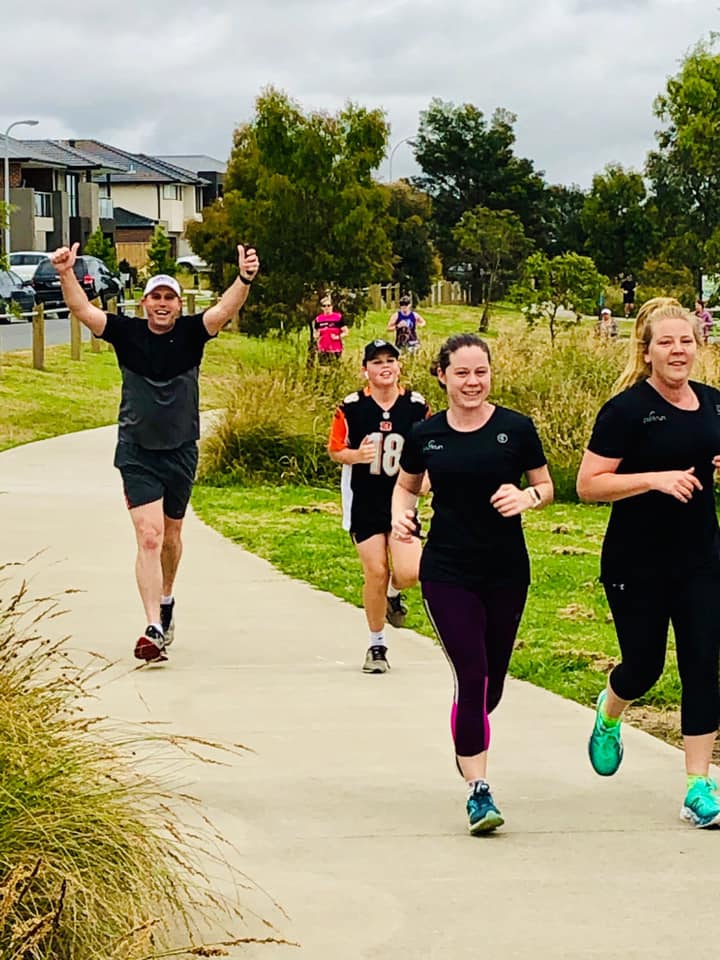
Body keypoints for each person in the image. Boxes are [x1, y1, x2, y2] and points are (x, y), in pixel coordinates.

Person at [49, 241, 260, 663]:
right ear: (144, 303)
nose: (162, 305)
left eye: (169, 298)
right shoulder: (126, 333)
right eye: (155, 297)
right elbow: (84, 312)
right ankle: (151, 626)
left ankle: (166, 599)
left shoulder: (192, 334)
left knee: (172, 537)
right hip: (137, 451)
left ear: (179, 306)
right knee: (149, 536)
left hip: (180, 450)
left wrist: (245, 277)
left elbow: (224, 310)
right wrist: (65, 273)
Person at [391, 333, 553, 835]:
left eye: (480, 372)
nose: (472, 382)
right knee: (473, 673)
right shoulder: (426, 434)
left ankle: (467, 731)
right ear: (442, 376)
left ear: (490, 374)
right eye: (461, 373)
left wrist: (527, 499)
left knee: (490, 686)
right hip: (447, 570)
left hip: (506, 569)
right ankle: (479, 792)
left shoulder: (515, 428)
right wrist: (402, 517)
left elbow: (546, 486)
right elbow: (405, 486)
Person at [577, 299, 720, 828]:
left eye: (686, 340)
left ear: (697, 345)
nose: (678, 350)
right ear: (648, 350)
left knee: (703, 665)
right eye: (667, 342)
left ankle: (698, 786)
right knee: (645, 666)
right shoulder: (625, 411)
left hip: (702, 556)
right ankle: (611, 710)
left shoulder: (714, 405)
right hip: (636, 560)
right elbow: (588, 485)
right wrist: (655, 478)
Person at [327, 339, 430, 674]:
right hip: (365, 500)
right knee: (375, 569)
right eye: (376, 362)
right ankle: (376, 644)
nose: (384, 367)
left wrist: (426, 480)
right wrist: (356, 456)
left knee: (409, 572)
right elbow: (335, 448)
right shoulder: (353, 406)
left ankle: (393, 593)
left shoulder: (415, 406)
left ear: (399, 366)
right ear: (365, 369)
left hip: (403, 501)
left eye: (390, 360)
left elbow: (430, 448)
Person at [314, 295, 348, 362]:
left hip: (336, 348)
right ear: (322, 308)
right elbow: (316, 332)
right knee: (323, 369)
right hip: (323, 349)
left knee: (335, 368)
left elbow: (346, 332)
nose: (327, 308)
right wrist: (316, 336)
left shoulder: (338, 317)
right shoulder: (318, 319)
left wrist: (338, 337)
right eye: (324, 306)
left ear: (332, 307)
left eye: (328, 305)